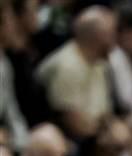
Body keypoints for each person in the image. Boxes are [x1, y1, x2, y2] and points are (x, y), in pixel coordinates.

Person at [34, 5, 116, 139]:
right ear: (97, 37)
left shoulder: (100, 64)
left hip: (95, 133)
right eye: (111, 34)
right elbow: (74, 124)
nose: (115, 41)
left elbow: (105, 114)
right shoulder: (66, 65)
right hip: (70, 139)